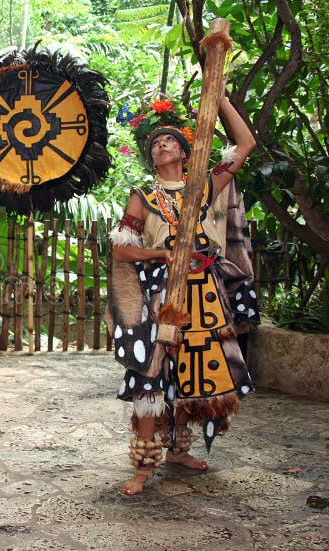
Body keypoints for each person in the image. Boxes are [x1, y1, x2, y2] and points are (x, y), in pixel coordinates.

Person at [109, 87, 259, 495]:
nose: (161, 146)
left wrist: (221, 97)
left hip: (205, 293)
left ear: (184, 150)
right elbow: (122, 251)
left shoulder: (205, 185)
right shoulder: (143, 197)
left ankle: (177, 448)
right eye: (155, 144)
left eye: (168, 140)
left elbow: (246, 144)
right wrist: (161, 252)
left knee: (194, 374)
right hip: (163, 296)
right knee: (152, 373)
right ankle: (143, 464)